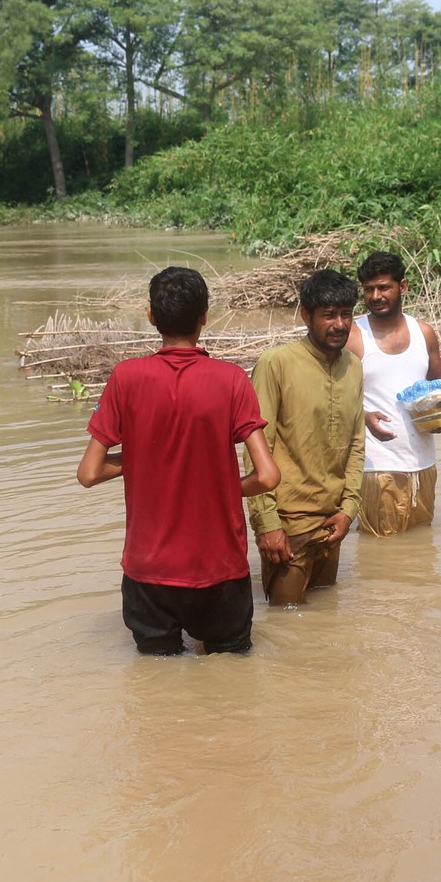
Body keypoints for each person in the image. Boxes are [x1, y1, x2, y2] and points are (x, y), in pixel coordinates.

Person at [77, 266, 280, 655]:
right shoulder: (232, 379)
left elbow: (88, 473)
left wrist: (141, 457)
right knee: (231, 683)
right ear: (204, 317)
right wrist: (221, 483)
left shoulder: (125, 377)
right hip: (219, 569)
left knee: (157, 689)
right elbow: (268, 476)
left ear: (151, 316)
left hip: (148, 571)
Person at [247, 269, 364, 606]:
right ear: (306, 315)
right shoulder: (276, 364)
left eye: (346, 315)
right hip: (288, 526)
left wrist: (349, 509)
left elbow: (357, 443)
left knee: (323, 624)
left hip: (333, 524)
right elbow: (256, 449)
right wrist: (267, 524)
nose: (339, 325)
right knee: (286, 626)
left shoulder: (353, 366)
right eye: (329, 315)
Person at [345, 250, 441, 537]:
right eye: (368, 289)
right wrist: (363, 416)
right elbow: (332, 396)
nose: (376, 296)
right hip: (376, 467)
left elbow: (438, 386)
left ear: (403, 286)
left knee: (421, 546)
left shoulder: (424, 333)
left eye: (384, 287)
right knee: (381, 550)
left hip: (424, 463)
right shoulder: (354, 336)